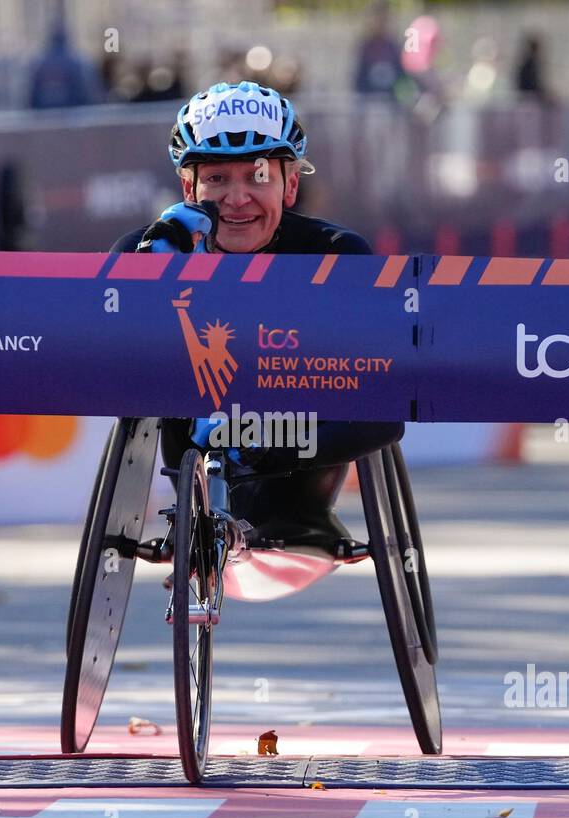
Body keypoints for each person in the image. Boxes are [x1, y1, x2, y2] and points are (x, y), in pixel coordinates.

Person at [112, 80, 403, 550]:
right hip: (195, 475)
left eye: (258, 176)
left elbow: (385, 417)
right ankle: (206, 515)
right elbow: (109, 375)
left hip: (298, 477)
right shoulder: (142, 250)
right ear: (189, 187)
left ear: (290, 186)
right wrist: (158, 275)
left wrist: (263, 445)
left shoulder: (338, 255)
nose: (237, 197)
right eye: (217, 179)